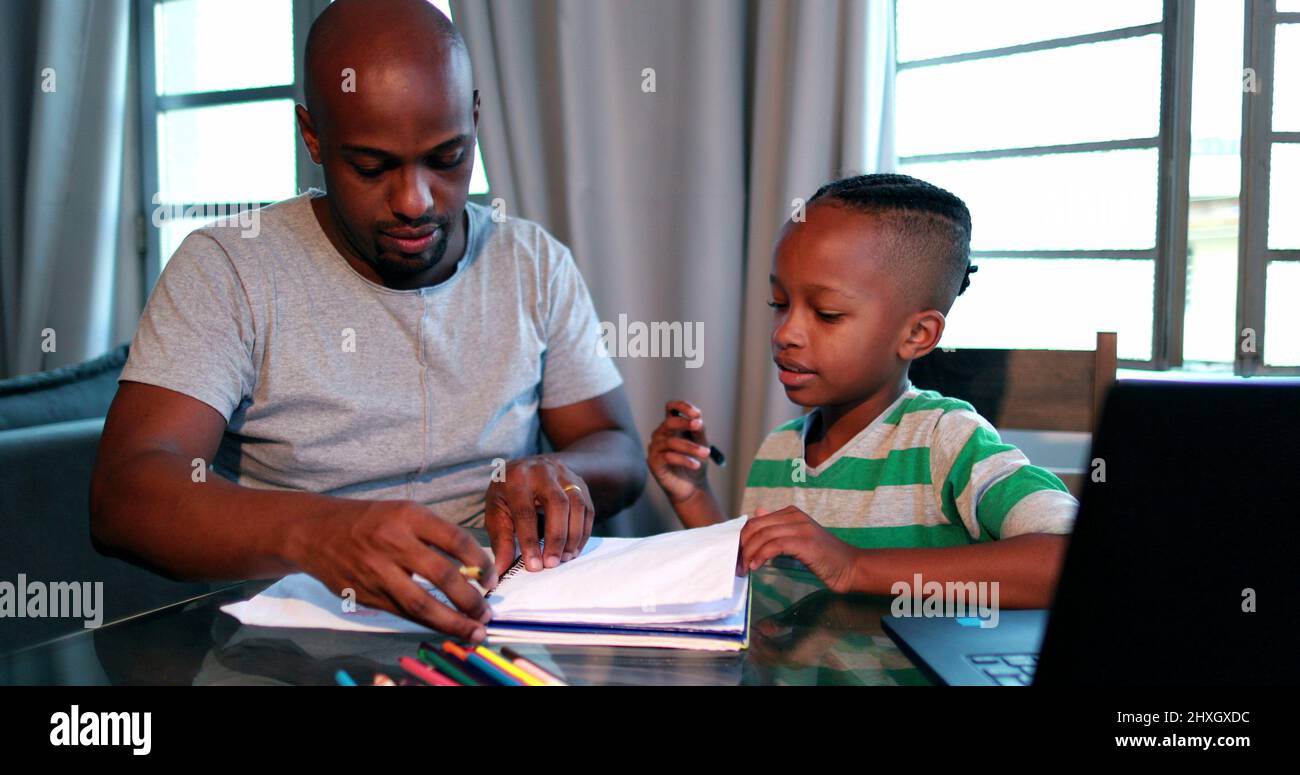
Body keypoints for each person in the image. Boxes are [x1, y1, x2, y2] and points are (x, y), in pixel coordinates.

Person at [90, 0, 645, 644]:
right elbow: (124, 495)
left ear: (473, 120)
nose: (415, 201)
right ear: (313, 136)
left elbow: (617, 448)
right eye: (372, 167)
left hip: (498, 625)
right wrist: (320, 532)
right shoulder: (230, 267)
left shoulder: (533, 261)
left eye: (447, 158)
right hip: (297, 647)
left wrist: (563, 471)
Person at [647, 174, 1074, 607]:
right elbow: (760, 583)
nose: (785, 333)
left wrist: (854, 566)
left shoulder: (945, 440)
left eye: (827, 313)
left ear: (917, 334)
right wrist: (694, 494)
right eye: (779, 303)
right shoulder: (779, 450)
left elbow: (1071, 559)